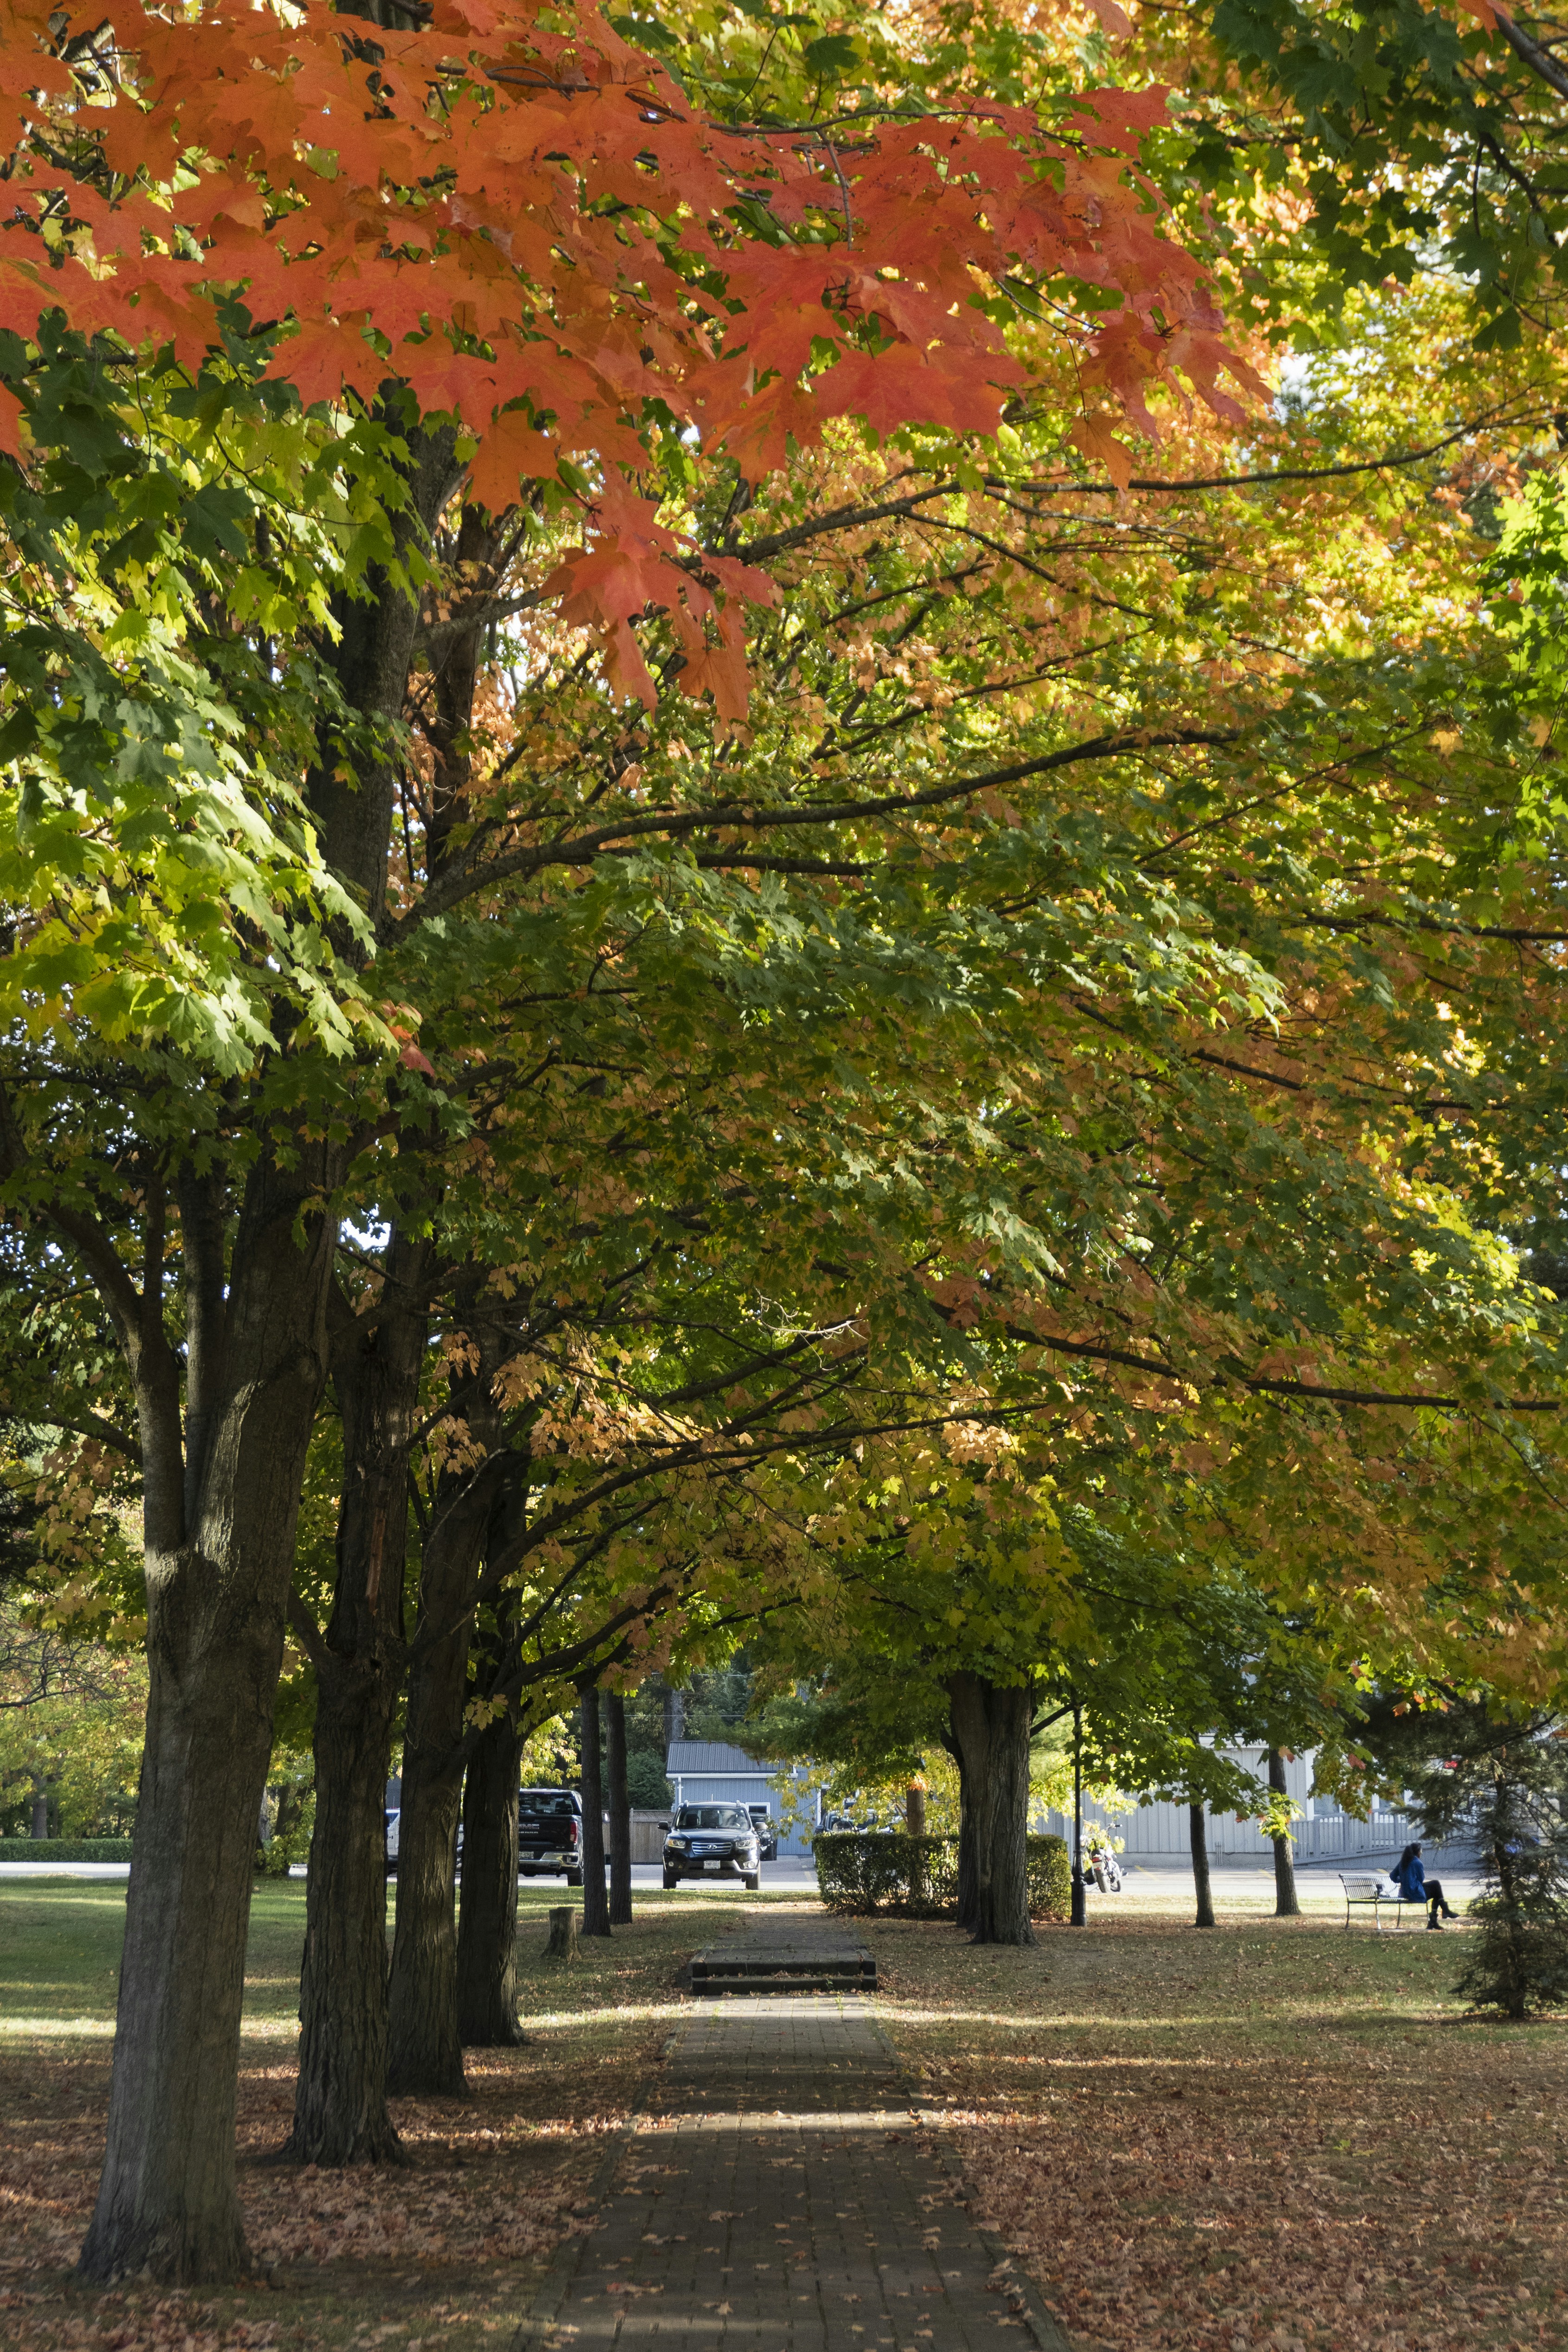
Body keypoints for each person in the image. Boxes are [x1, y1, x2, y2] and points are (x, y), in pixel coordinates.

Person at [1392, 1842, 1456, 1928]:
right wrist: (1407, 1880)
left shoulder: (1403, 1862)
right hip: (1414, 1893)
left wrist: (1402, 1880)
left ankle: (1440, 1916)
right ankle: (1440, 1915)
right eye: (1421, 1851)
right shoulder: (1417, 1863)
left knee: (1436, 1886)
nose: (1422, 1853)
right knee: (1436, 1887)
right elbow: (1421, 1879)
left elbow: (1392, 1876)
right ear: (1418, 1852)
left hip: (1404, 1893)